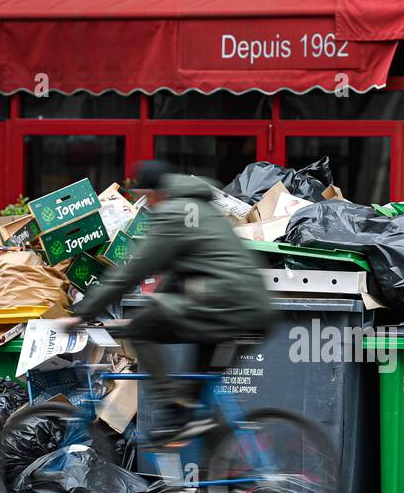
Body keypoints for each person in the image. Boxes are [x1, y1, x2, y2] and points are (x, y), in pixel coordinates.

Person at [61, 161, 272, 443]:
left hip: (227, 306)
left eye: (145, 196)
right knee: (200, 400)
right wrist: (152, 307)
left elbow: (132, 269)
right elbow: (182, 273)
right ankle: (208, 455)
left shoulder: (174, 213)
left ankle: (172, 407)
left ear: (154, 192)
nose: (145, 203)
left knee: (141, 330)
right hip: (245, 307)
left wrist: (84, 312)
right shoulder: (198, 208)